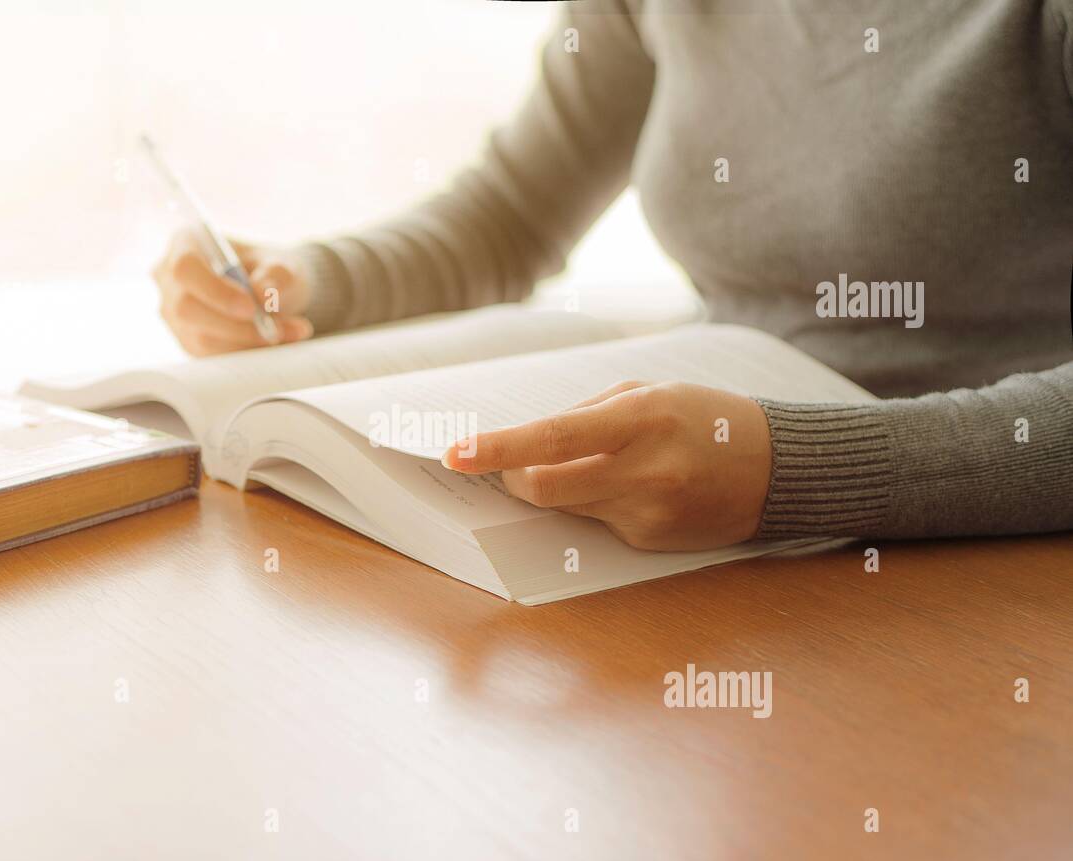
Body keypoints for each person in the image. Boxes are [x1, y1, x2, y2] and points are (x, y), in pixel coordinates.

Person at [152, 0, 1073, 551]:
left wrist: (797, 472)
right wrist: (310, 280)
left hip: (993, 559)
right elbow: (511, 216)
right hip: (724, 539)